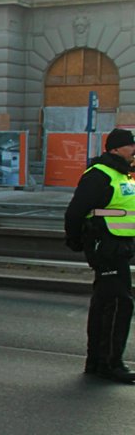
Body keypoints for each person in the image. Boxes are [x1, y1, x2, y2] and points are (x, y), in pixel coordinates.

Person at [65, 128, 135, 384]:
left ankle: (96, 361)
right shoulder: (99, 175)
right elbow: (75, 212)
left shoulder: (123, 174)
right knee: (119, 304)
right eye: (130, 146)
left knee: (105, 304)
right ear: (115, 149)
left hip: (118, 247)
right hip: (105, 247)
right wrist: (75, 240)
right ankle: (110, 363)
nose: (134, 150)